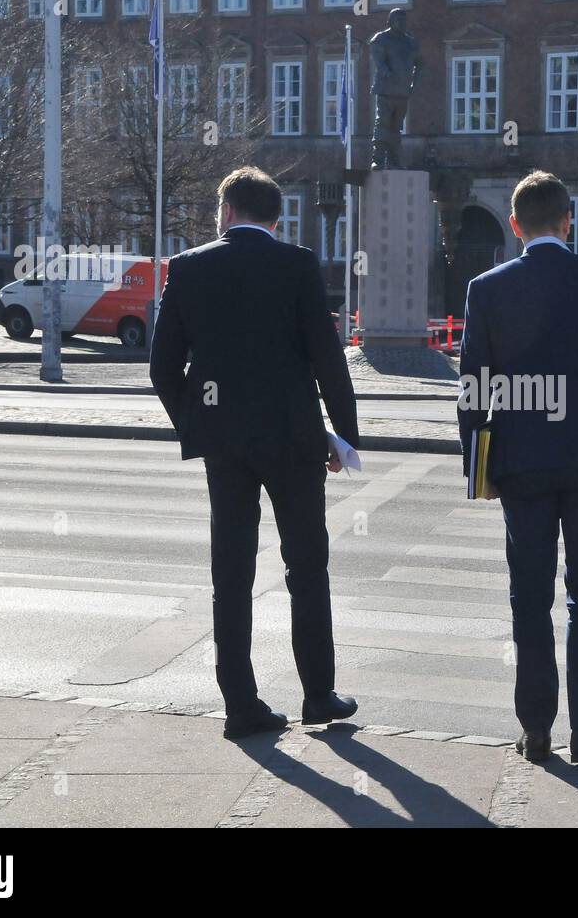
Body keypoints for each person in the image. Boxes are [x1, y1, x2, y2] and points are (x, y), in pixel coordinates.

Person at [150, 166, 360, 740]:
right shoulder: (296, 266)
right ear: (275, 217)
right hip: (294, 439)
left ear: (226, 212)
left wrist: (198, 424)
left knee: (232, 572)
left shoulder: (188, 268)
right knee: (306, 567)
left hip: (224, 442)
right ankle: (318, 695)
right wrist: (343, 435)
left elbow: (162, 368)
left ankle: (241, 705)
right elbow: (327, 357)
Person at [457, 171, 578, 764]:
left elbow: (472, 386)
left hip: (521, 463)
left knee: (528, 596)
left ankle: (535, 728)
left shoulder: (486, 289)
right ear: (568, 220)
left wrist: (477, 463)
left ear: (514, 226)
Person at [369, 8, 421, 170]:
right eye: (398, 20)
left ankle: (394, 160)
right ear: (390, 21)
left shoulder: (410, 42)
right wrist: (389, 73)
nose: (402, 23)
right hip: (386, 90)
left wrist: (414, 83)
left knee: (396, 128)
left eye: (403, 20)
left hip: (402, 92)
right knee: (382, 124)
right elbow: (379, 62)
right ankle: (377, 159)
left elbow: (420, 64)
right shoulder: (381, 39)